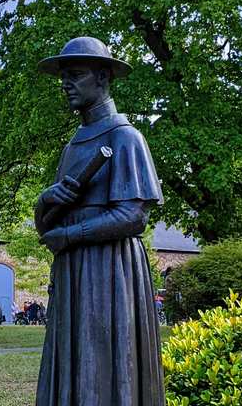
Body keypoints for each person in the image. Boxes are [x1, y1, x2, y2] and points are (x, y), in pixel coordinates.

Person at [34, 37, 165, 405]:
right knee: (72, 358)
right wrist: (45, 200)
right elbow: (48, 228)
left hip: (110, 269)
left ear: (103, 77)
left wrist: (72, 236)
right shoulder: (74, 145)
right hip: (73, 268)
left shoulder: (126, 138)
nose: (66, 83)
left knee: (105, 355)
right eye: (64, 76)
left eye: (75, 75)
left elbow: (133, 216)